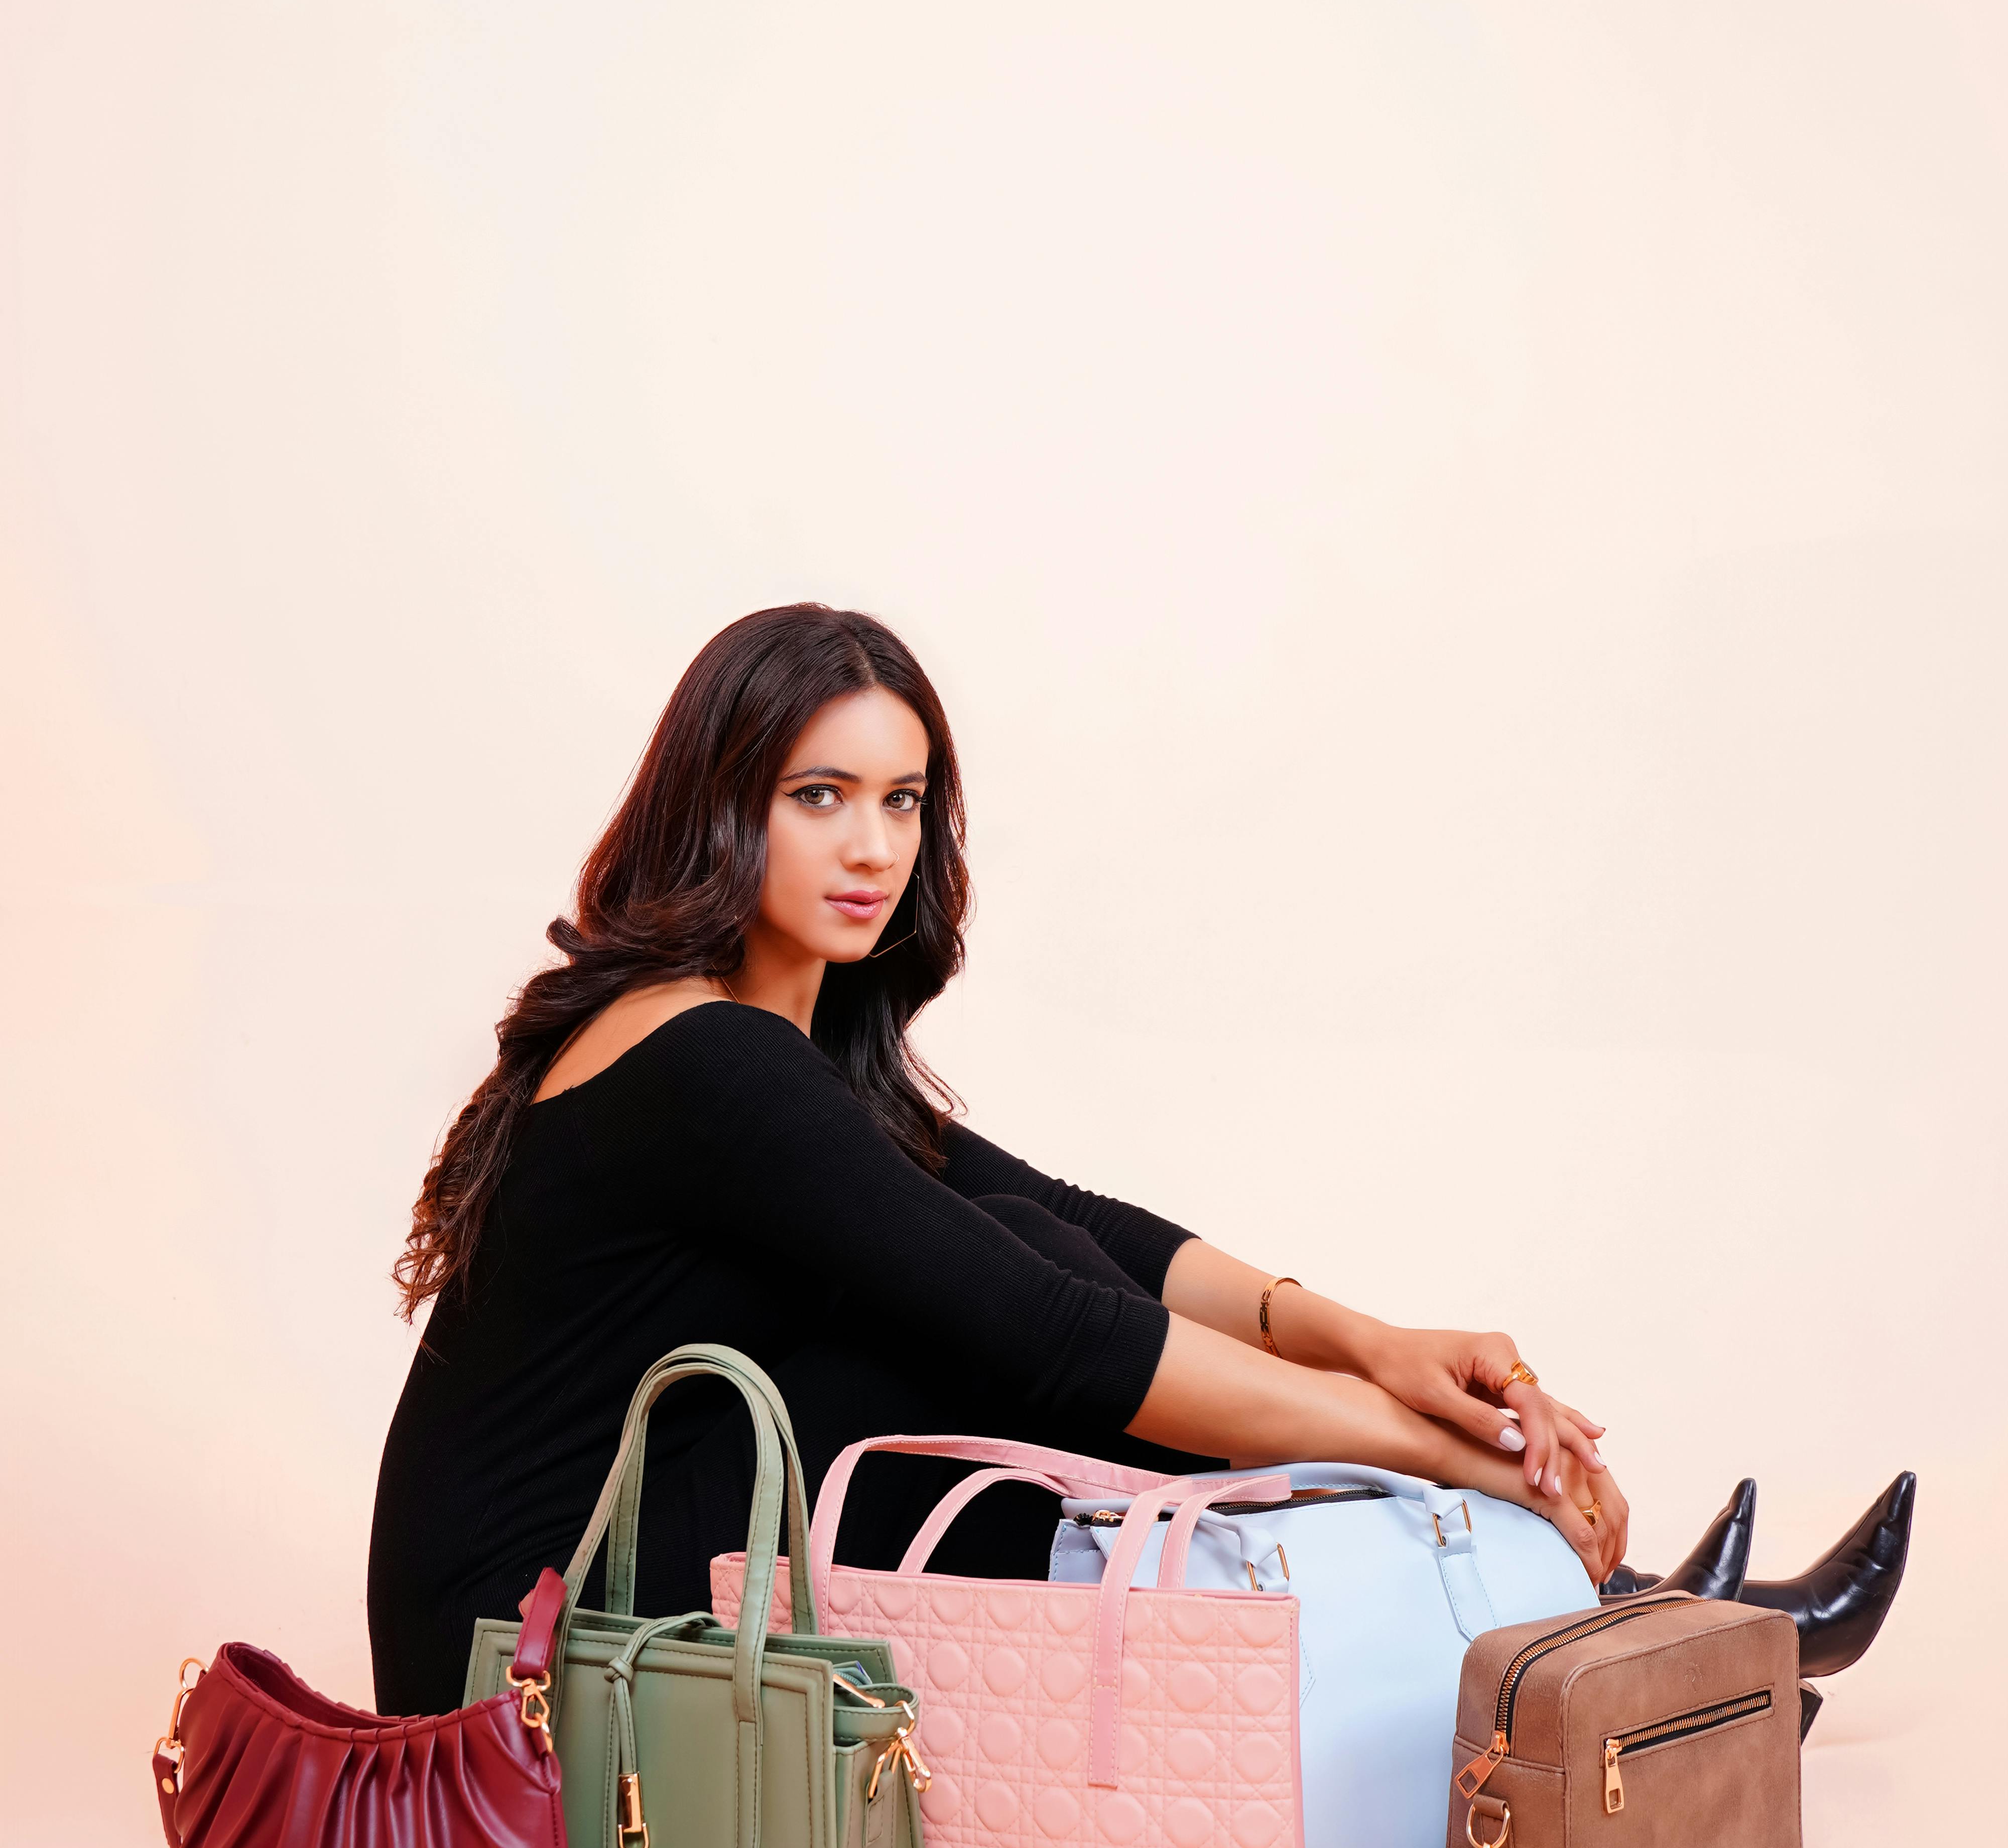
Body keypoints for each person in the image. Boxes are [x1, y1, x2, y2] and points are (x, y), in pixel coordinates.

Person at [367, 604, 1912, 1719]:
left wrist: (1368, 1339)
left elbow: (1062, 1219)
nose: (872, 850)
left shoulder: (776, 1051)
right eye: (818, 797)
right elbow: (1045, 1329)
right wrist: (1433, 1447)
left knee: (1041, 1261)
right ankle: (1590, 1611)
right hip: (518, 1658)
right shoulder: (698, 1054)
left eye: (902, 800)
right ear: (724, 809)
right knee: (959, 1356)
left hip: (603, 1608)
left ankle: (1594, 1620)